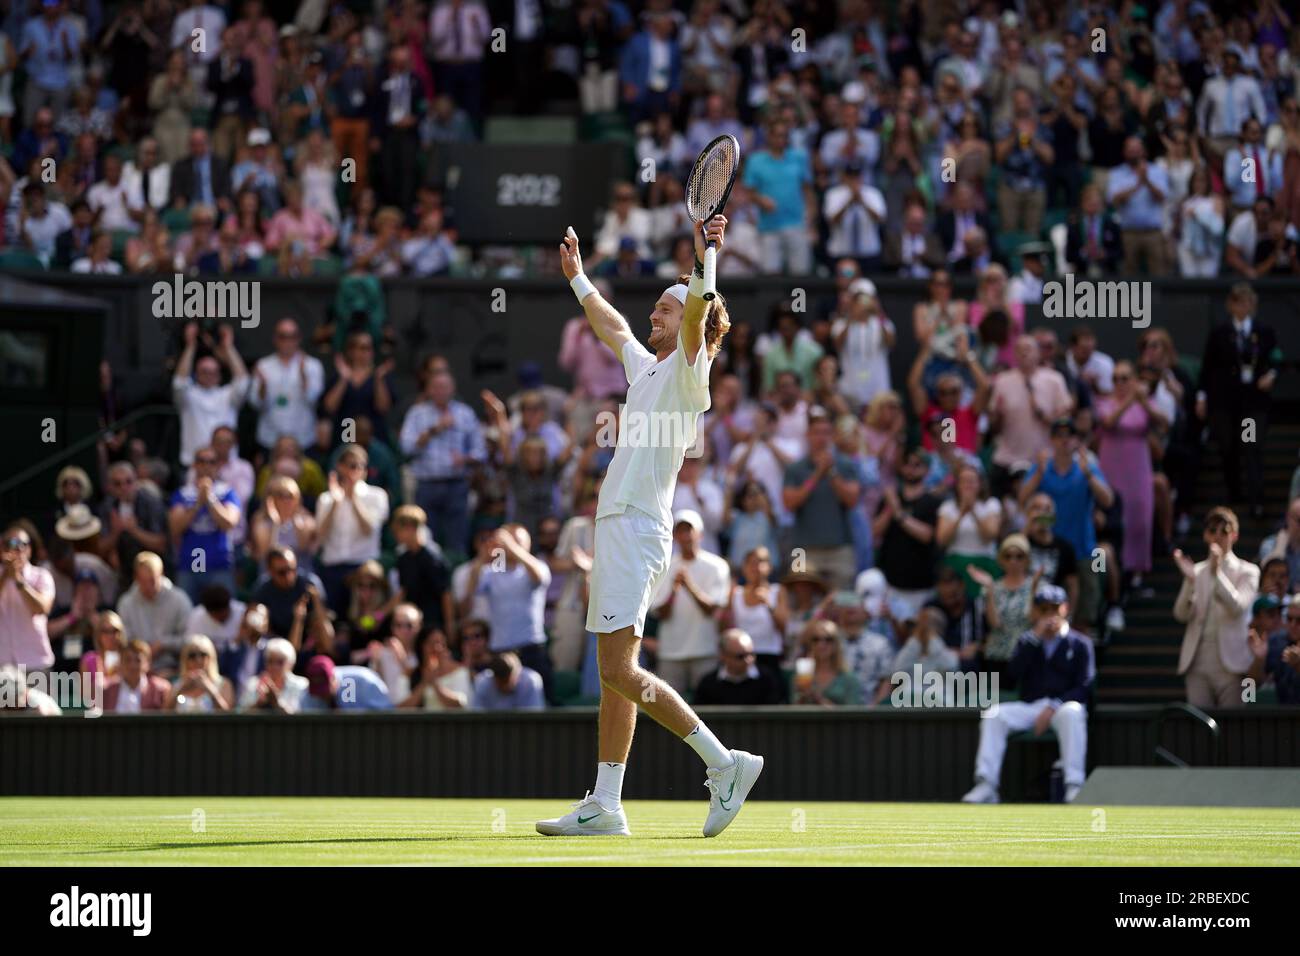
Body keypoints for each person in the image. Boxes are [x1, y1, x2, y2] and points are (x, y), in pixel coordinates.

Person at [538, 215, 763, 840]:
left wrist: (703, 262)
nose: (654, 316)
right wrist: (579, 278)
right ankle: (606, 802)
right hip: (617, 527)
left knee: (618, 671)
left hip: (637, 528)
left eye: (665, 308)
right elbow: (612, 328)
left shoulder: (693, 370)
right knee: (615, 673)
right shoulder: (647, 369)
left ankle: (725, 763)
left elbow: (695, 317)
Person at [962, 584, 1091, 804]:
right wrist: (1033, 640)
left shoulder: (1080, 643)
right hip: (1031, 707)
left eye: (1054, 608)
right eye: (1043, 609)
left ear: (1066, 609)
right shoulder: (1026, 641)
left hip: (1063, 706)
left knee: (1072, 712)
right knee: (994, 715)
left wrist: (1054, 706)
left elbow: (1085, 685)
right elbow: (1012, 677)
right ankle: (986, 786)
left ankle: (1073, 786)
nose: (1049, 615)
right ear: (1035, 612)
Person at [1196, 283, 1278, 519]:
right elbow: (1207, 368)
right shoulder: (1219, 333)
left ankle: (1256, 501)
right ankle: (1235, 494)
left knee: (1251, 445)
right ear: (1230, 305)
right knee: (1228, 447)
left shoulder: (1264, 331)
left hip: (1252, 405)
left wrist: (1271, 375)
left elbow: (1275, 358)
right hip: (1225, 405)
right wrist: (1202, 397)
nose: (1244, 306)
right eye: (1239, 301)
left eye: (1248, 302)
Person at [1173, 508, 1258, 710]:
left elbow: (1238, 607)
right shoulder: (1196, 571)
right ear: (1205, 535)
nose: (1218, 536)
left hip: (1233, 664)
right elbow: (1181, 614)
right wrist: (1190, 580)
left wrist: (1216, 571)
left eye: (1224, 530)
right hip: (1198, 663)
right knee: (1200, 728)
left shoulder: (1249, 571)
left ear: (1234, 536)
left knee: (1234, 728)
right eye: (1212, 530)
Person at [1095, 362, 1166, 589]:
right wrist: (1131, 399)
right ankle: (1114, 574)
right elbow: (1109, 421)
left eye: (1125, 378)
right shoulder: (1104, 402)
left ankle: (1136, 571)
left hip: (1138, 469)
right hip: (1111, 470)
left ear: (1134, 380)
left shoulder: (1144, 404)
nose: (1120, 383)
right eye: (1115, 379)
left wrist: (1143, 401)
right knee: (1116, 519)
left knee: (1140, 520)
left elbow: (1164, 423)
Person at [648, 509, 731, 695]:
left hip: (705, 651)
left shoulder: (717, 566)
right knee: (668, 712)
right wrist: (674, 592)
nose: (685, 536)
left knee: (706, 708)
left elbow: (712, 610)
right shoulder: (664, 566)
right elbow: (661, 614)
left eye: (689, 530)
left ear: (700, 534)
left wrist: (689, 585)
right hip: (670, 653)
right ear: (674, 535)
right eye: (680, 531)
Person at [781, 407, 861, 590]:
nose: (821, 438)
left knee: (842, 603)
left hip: (840, 549)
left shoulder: (846, 465)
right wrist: (818, 474)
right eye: (817, 433)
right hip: (803, 549)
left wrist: (831, 472)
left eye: (826, 433)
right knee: (803, 603)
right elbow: (789, 503)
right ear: (808, 435)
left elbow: (851, 500)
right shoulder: (795, 469)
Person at [315, 444, 389, 614]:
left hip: (363, 571)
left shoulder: (376, 496)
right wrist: (336, 502)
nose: (354, 471)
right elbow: (320, 535)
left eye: (359, 466)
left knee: (365, 623)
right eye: (350, 465)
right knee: (334, 619)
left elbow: (369, 529)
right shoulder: (326, 499)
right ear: (340, 467)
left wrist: (353, 498)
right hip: (332, 570)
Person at [168, 445, 242, 601]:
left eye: (211, 462)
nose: (206, 466)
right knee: (188, 616)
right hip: (191, 564)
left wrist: (210, 500)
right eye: (201, 461)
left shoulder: (227, 492)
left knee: (223, 613)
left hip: (219, 564)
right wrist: (197, 504)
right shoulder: (182, 493)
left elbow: (229, 522)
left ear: (218, 465)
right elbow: (175, 528)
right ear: (194, 464)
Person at [172, 321, 250, 468]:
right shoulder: (189, 395)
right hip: (194, 465)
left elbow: (243, 381)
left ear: (220, 375)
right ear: (196, 374)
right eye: (204, 371)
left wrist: (228, 347)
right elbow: (179, 383)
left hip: (226, 465)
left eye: (213, 372)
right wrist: (190, 346)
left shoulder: (227, 395)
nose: (209, 375)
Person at [115, 552, 192, 675]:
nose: (148, 587)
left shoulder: (180, 600)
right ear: (136, 578)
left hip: (172, 667)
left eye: (152, 581)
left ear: (161, 574)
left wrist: (164, 644)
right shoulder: (126, 603)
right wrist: (142, 653)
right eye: (143, 581)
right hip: (136, 669)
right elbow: (125, 640)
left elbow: (188, 640)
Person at [0, 526, 56, 672]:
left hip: (36, 664)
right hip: (3, 666)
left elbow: (42, 608)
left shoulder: (42, 575)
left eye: (22, 544)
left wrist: (18, 579)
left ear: (29, 549)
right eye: (10, 544)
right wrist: (6, 575)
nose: (16, 549)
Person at [693, 629, 786, 705]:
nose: (748, 660)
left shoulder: (767, 679)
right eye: (740, 656)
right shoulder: (708, 683)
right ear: (723, 656)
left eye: (751, 655)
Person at [793, 619, 864, 706]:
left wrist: (818, 698)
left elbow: (852, 715)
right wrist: (803, 696)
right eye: (816, 639)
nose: (821, 644)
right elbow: (794, 710)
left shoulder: (849, 679)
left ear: (836, 644)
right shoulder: (802, 675)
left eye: (828, 639)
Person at [402, 627, 472, 709]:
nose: (437, 648)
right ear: (421, 647)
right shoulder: (410, 674)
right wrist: (424, 683)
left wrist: (435, 684)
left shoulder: (460, 671)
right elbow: (401, 708)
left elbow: (459, 704)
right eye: (431, 643)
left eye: (442, 644)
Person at [1247, 598, 1300, 705]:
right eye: (1289, 619)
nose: (1293, 625)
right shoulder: (1276, 641)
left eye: (1299, 620)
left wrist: (1298, 665)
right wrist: (1259, 660)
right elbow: (1248, 692)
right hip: (1281, 716)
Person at [166, 634, 235, 712]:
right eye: (192, 655)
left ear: (211, 657)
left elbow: (227, 715)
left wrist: (210, 690)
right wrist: (180, 691)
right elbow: (165, 714)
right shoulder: (176, 685)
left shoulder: (223, 683)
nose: (198, 660)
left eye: (203, 654)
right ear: (185, 659)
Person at [301, 654, 391, 710]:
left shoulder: (363, 681)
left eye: (325, 689)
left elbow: (387, 712)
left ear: (333, 678)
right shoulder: (307, 695)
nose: (323, 695)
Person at [103, 640, 171, 712]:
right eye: (127, 660)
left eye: (138, 660)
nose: (132, 665)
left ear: (148, 663)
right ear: (120, 663)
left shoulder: (160, 690)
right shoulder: (107, 690)